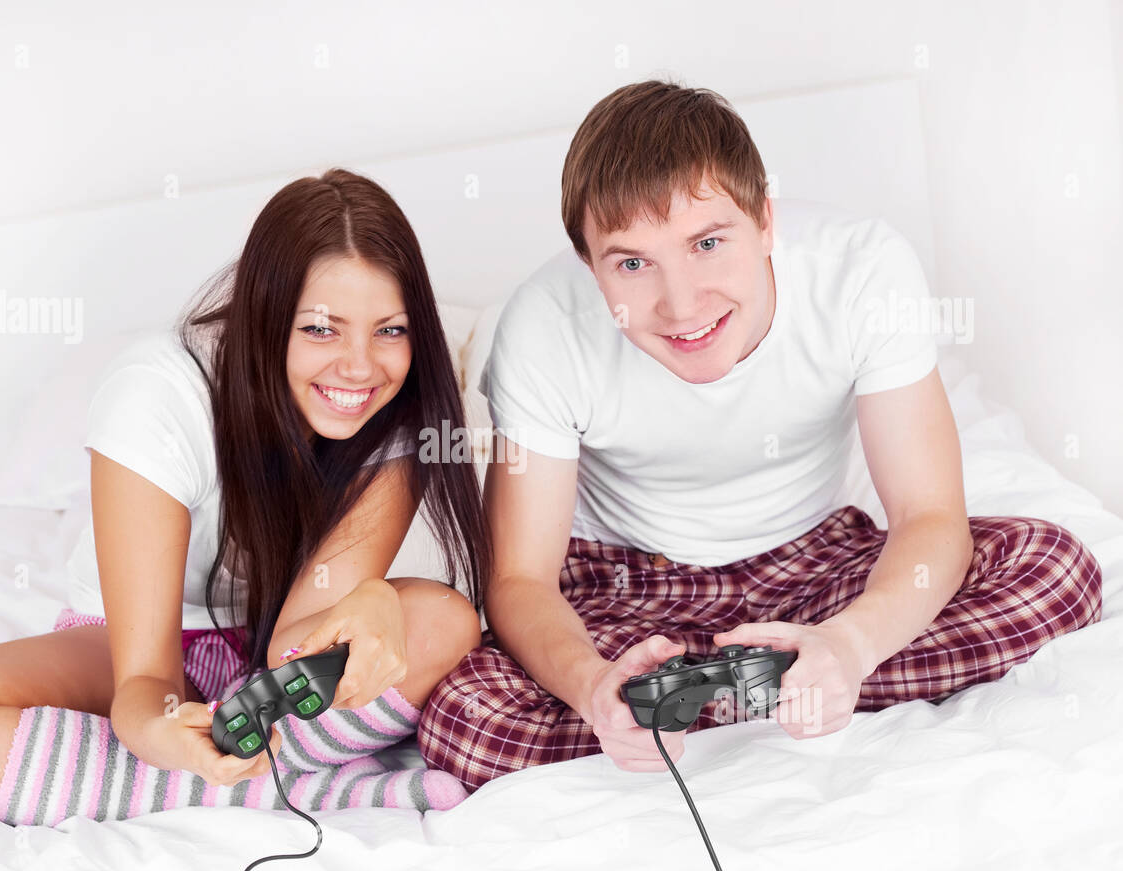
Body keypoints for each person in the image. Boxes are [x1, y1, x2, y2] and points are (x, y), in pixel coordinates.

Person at [415, 81, 1104, 791]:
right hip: (624, 587)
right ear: (590, 267)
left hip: (814, 563)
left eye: (708, 243)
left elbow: (930, 518)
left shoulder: (861, 269)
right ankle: (755, 694)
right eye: (631, 263)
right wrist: (595, 686)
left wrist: (850, 644)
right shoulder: (542, 326)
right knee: (461, 713)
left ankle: (706, 702)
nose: (681, 305)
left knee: (1052, 567)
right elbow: (521, 580)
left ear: (766, 222)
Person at [0, 168, 490, 824]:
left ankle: (184, 783)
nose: (360, 366)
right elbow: (144, 685)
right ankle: (308, 788)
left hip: (278, 650)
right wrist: (166, 736)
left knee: (444, 620)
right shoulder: (160, 394)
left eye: (389, 330)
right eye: (320, 329)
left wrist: (372, 599)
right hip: (138, 648)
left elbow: (288, 652)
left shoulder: (398, 413)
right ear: (265, 317)